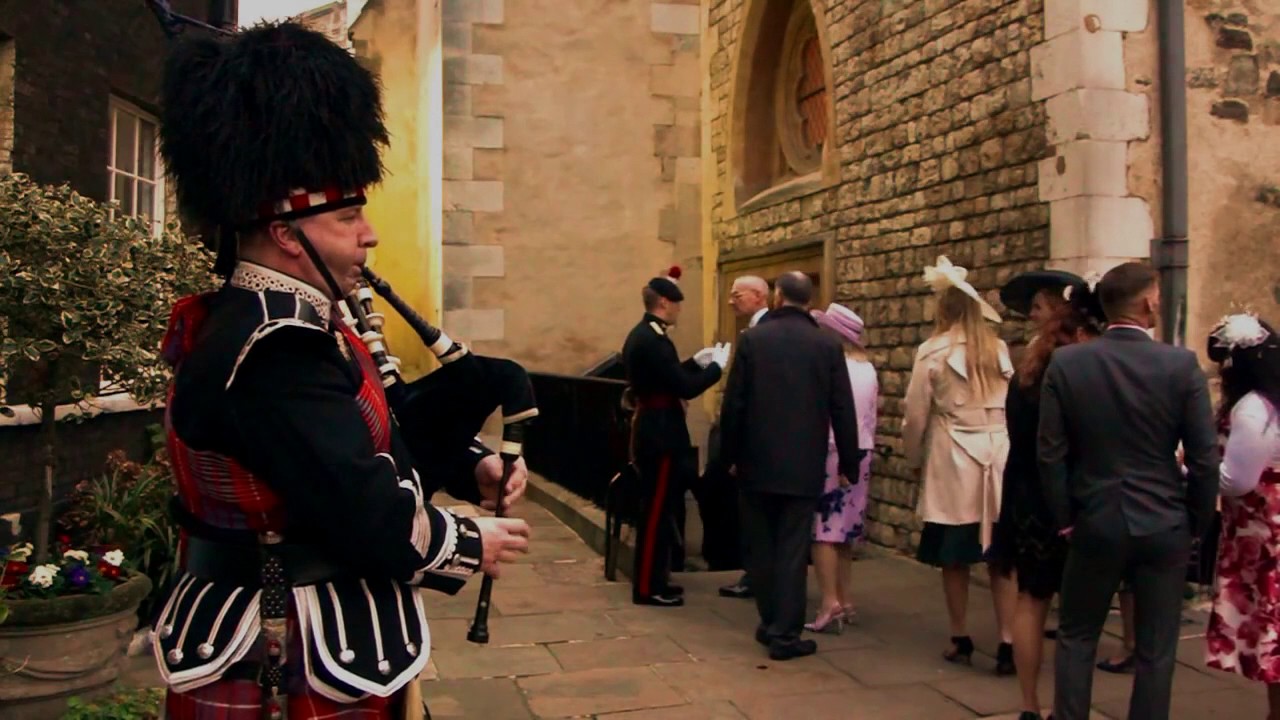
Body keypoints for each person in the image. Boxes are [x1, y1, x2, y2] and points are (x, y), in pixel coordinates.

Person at [148, 22, 532, 719]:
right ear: (289, 235)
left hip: (328, 631)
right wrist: (473, 540)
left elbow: (371, 425)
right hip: (285, 643)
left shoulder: (291, 321)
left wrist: (469, 463)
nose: (370, 233)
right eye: (349, 214)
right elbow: (364, 510)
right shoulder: (272, 348)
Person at [1039, 261, 1220, 720]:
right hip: (1163, 520)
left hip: (1095, 517)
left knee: (1078, 636)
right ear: (1146, 302)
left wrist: (1065, 520)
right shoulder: (1180, 365)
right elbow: (1204, 459)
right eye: (1157, 296)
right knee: (1158, 650)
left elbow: (1051, 454)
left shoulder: (1068, 362)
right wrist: (1195, 523)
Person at [720, 272, 861, 660]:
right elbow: (841, 408)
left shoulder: (753, 341)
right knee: (793, 549)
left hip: (756, 461)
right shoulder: (826, 345)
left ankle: (770, 623)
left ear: (778, 296)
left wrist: (727, 457)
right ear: (808, 298)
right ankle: (785, 632)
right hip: (803, 462)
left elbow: (735, 404)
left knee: (761, 547)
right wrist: (849, 461)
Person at [989, 277, 1106, 720]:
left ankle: (1028, 705)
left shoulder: (1028, 369)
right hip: (1076, 494)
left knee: (1031, 598)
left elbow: (1017, 434)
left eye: (1038, 306)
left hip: (1027, 492)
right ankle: (1067, 706)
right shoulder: (1082, 368)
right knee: (1075, 609)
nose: (1031, 314)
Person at [902, 256, 1017, 675]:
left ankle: (961, 635)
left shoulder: (931, 350)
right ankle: (1007, 642)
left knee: (955, 555)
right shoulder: (998, 348)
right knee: (1003, 558)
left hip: (953, 458)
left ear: (943, 309)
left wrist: (913, 458)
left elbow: (915, 414)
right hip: (1000, 454)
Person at [621, 266, 728, 607]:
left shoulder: (649, 335)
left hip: (658, 429)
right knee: (655, 512)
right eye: (677, 303)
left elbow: (666, 376)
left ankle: (656, 578)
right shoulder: (652, 339)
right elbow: (682, 387)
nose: (680, 309)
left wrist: (694, 362)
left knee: (662, 508)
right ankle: (647, 588)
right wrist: (714, 370)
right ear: (665, 302)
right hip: (660, 434)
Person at [1204, 313, 1280, 717]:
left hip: (1266, 533)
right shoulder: (1270, 401)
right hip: (1263, 530)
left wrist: (1191, 469)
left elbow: (1237, 480)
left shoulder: (1252, 410)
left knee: (1273, 623)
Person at [804, 303, 878, 635]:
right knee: (846, 531)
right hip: (861, 450)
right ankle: (846, 599)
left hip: (832, 450)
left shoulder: (834, 367)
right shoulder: (868, 369)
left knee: (824, 532)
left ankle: (829, 601)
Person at [716, 274, 770, 599]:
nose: (730, 300)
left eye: (737, 294)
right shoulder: (757, 331)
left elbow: (740, 398)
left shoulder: (757, 336)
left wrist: (731, 450)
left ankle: (756, 576)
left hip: (756, 444)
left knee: (755, 517)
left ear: (758, 296)